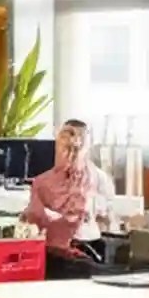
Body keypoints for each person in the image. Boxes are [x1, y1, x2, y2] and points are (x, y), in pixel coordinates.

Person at [21, 119, 116, 279]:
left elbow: (108, 217)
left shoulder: (99, 179)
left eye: (78, 145)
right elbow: (34, 220)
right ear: (58, 144)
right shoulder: (42, 183)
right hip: (55, 254)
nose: (72, 150)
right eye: (66, 144)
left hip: (89, 248)